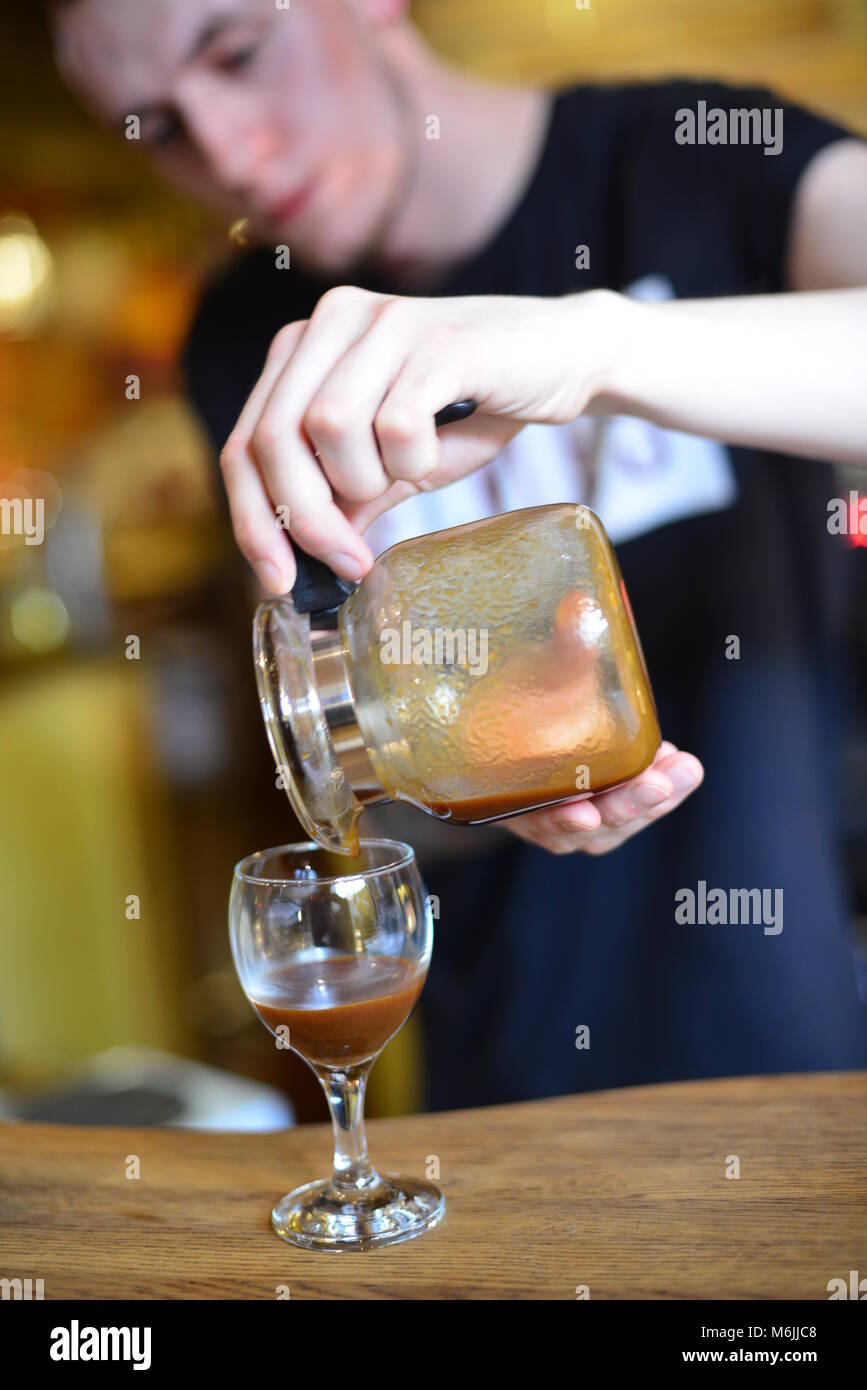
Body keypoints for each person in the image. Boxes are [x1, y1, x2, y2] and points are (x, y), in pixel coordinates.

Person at [50, 0, 867, 1108]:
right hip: (496, 1079)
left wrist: (597, 341)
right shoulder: (246, 331)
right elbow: (353, 764)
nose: (232, 152)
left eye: (239, 50)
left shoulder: (696, 159)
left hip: (784, 1051)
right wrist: (468, 782)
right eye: (161, 128)